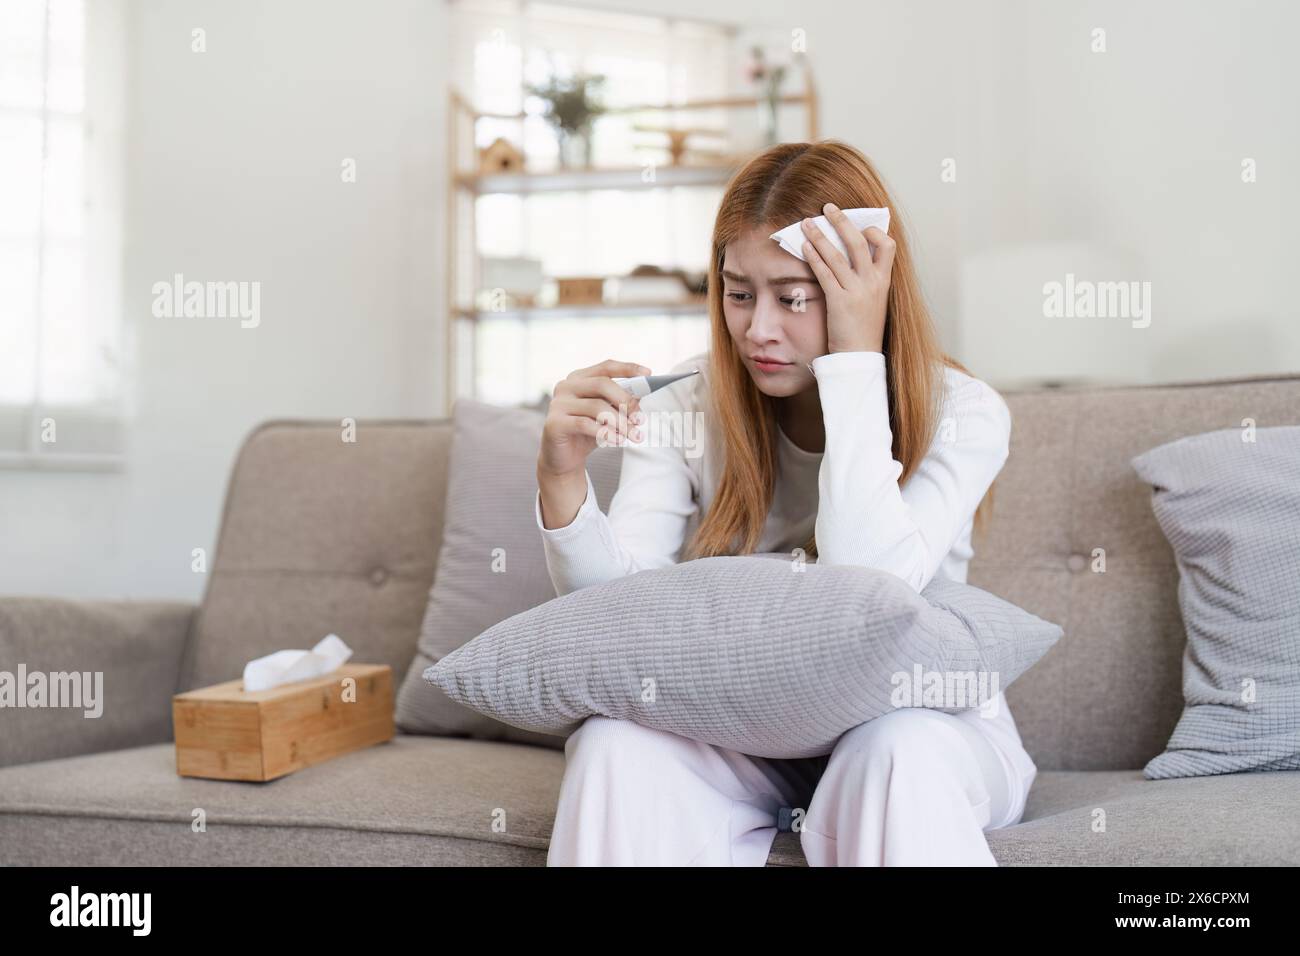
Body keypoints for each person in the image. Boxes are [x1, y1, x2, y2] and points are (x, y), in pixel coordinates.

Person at [533, 139, 1037, 866]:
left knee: (895, 751)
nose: (757, 329)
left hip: (915, 723)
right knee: (613, 743)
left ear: (861, 287)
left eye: (792, 297)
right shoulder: (691, 401)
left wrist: (854, 360)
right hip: (737, 735)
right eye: (739, 292)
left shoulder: (965, 410)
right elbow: (618, 627)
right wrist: (562, 478)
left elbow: (873, 587)